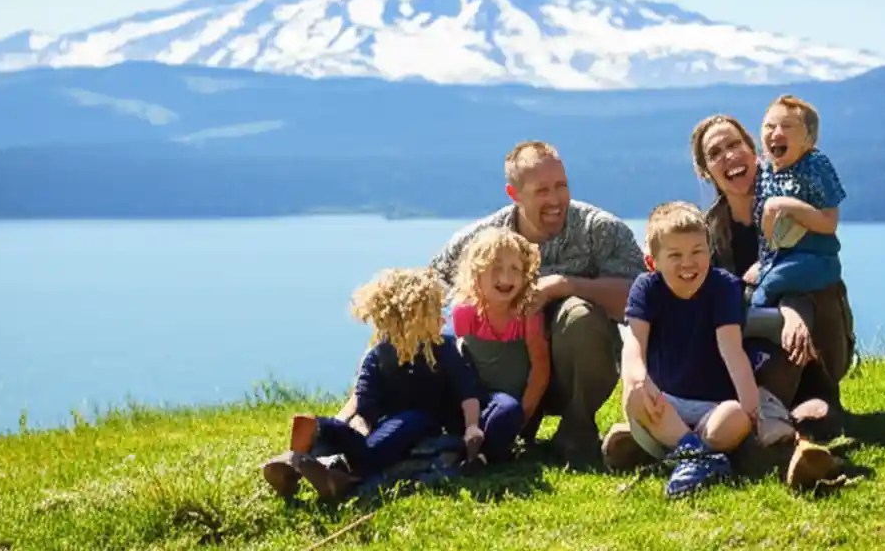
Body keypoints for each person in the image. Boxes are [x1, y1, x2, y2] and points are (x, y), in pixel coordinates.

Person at [338, 140, 646, 468]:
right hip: (496, 380)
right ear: (514, 194)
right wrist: (373, 369)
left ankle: (576, 434)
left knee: (580, 316)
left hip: (570, 372)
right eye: (542, 190)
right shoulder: (478, 241)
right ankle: (475, 431)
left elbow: (642, 297)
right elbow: (418, 301)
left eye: (561, 186)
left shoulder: (599, 230)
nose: (556, 200)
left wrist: (567, 286)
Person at [690, 110, 857, 441]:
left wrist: (795, 309)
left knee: (817, 282)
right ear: (707, 173)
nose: (728, 156)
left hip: (816, 339)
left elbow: (814, 264)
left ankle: (804, 411)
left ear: (754, 151)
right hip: (750, 357)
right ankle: (782, 428)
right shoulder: (707, 234)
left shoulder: (793, 199)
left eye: (734, 144)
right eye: (715, 154)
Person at [260, 268, 484, 501]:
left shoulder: (439, 348)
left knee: (374, 445)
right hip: (389, 426)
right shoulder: (381, 354)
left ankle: (314, 441)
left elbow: (466, 391)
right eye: (435, 312)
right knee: (367, 449)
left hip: (421, 422)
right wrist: (350, 426)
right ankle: (314, 457)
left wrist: (472, 426)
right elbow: (363, 402)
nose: (443, 319)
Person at [620, 201, 765, 497]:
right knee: (635, 396)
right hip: (667, 403)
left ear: (709, 252)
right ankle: (698, 454)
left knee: (735, 416)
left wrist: (751, 408)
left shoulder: (723, 287)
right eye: (675, 255)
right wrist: (637, 379)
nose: (688, 263)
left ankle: (686, 455)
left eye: (697, 252)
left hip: (713, 407)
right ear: (653, 262)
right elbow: (634, 343)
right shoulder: (646, 288)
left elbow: (732, 349)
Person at [449, 226, 550, 466]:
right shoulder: (465, 312)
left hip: (514, 404)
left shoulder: (528, 314)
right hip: (473, 399)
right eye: (495, 269)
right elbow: (459, 368)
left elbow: (540, 368)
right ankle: (471, 444)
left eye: (515, 269)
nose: (505, 278)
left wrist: (523, 417)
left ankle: (480, 456)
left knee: (507, 410)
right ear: (476, 274)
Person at [745, 94, 847, 309]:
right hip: (778, 258)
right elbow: (766, 235)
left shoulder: (815, 165)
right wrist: (764, 263)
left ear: (809, 140)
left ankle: (756, 313)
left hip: (816, 258)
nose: (776, 133)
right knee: (748, 282)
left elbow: (829, 223)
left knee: (772, 283)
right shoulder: (764, 171)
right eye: (769, 126)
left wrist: (787, 205)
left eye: (787, 126)